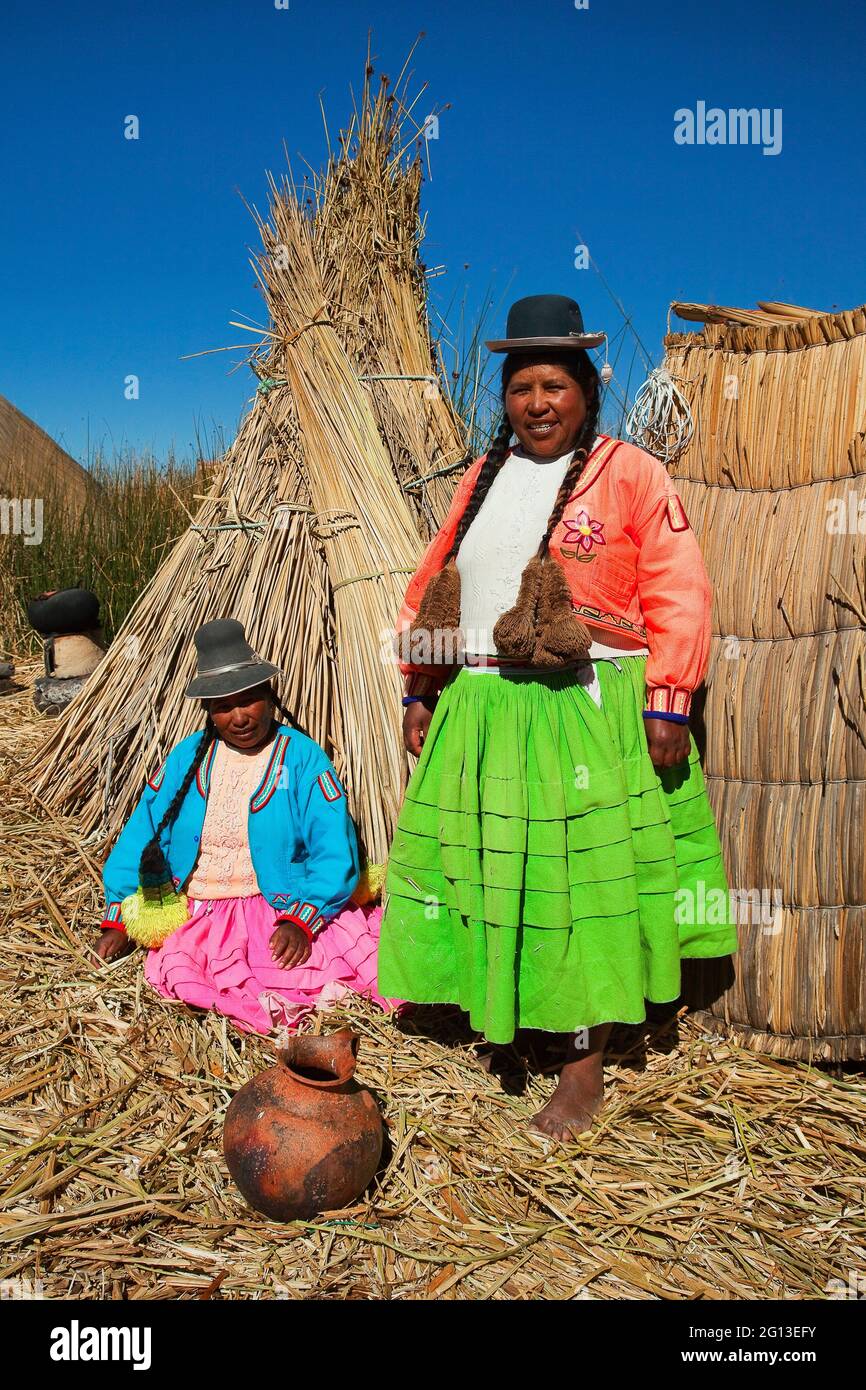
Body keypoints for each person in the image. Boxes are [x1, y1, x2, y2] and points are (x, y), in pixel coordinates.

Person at [377, 294, 738, 1140]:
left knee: (581, 888)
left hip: (583, 710)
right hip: (487, 707)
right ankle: (507, 1017)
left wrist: (670, 698)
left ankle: (584, 1069)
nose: (537, 403)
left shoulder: (632, 474)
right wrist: (422, 686)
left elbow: (679, 587)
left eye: (555, 386)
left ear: (586, 390)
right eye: (520, 387)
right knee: (498, 870)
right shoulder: (483, 475)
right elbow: (434, 585)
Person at [96, 618, 398, 1034]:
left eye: (249, 700)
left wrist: (301, 919)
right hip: (202, 914)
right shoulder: (189, 757)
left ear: (269, 697)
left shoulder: (301, 759)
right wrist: (120, 918)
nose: (239, 717)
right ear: (209, 712)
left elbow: (333, 847)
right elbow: (143, 833)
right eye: (223, 706)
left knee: (299, 978)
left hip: (278, 906)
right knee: (187, 977)